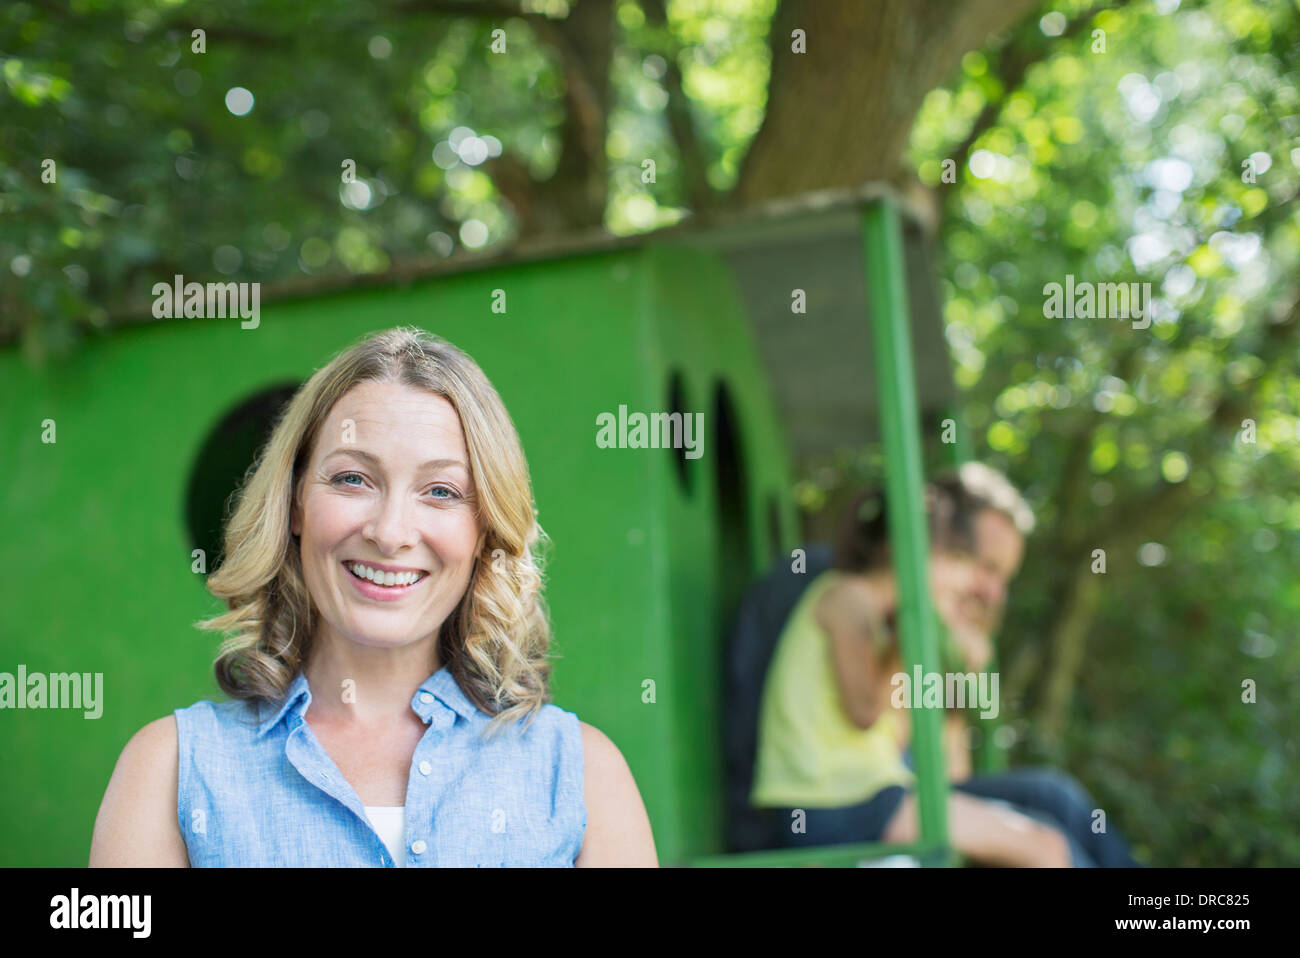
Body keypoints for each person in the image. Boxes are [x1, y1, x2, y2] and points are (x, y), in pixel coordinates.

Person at [89, 327, 658, 867]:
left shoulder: (581, 775)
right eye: (352, 479)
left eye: (441, 491)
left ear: (485, 527)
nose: (390, 532)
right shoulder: (171, 769)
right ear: (293, 505)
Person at [751, 464, 1138, 866]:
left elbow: (917, 746)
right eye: (963, 560)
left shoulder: (885, 622)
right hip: (832, 808)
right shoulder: (850, 600)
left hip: (872, 798)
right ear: (916, 551)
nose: (973, 583)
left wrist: (961, 669)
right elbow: (864, 713)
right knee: (1044, 847)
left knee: (1048, 827)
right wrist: (911, 632)